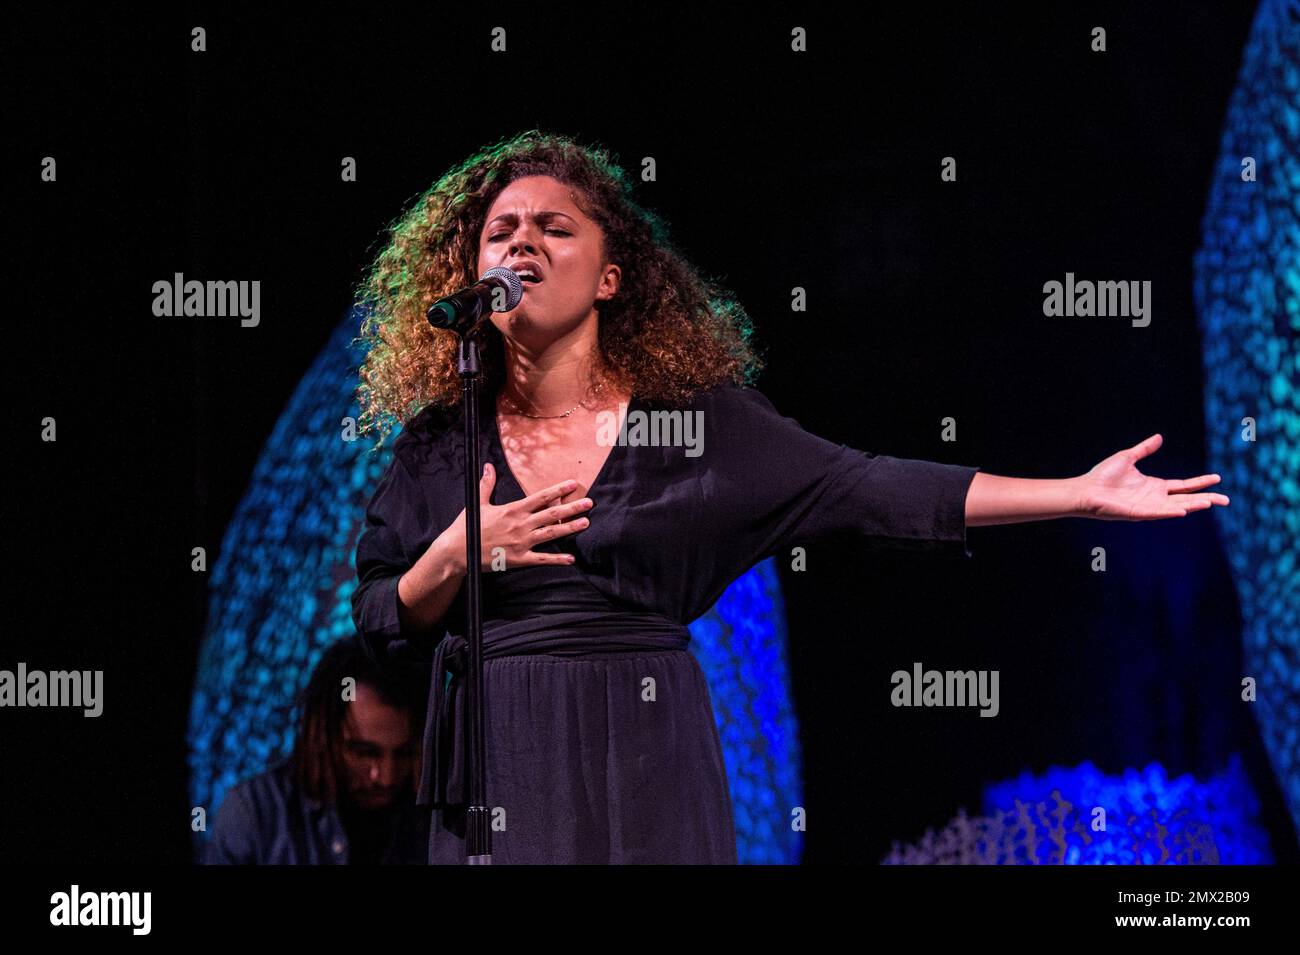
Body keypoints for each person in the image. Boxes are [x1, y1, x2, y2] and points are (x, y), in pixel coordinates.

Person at [348, 130, 1230, 864]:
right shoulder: (439, 444)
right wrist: (454, 554)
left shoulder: (694, 427)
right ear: (472, 270)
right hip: (507, 757)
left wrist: (1076, 494)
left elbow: (865, 485)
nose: (521, 244)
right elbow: (381, 617)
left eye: (554, 227)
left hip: (649, 746)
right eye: (501, 231)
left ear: (611, 277)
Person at [204, 640, 428, 864]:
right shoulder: (256, 812)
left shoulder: (432, 821)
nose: (385, 777)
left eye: (404, 754)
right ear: (322, 735)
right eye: (363, 753)